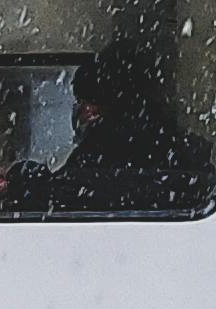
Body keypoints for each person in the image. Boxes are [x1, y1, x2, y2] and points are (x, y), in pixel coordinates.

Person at [52, 46, 216, 217]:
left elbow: (63, 196)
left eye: (84, 100)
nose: (81, 110)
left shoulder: (101, 151)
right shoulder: (182, 149)